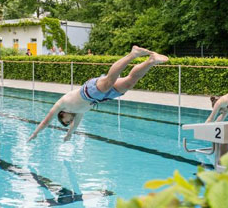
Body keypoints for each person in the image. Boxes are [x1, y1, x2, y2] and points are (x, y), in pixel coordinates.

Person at [28, 46, 168, 142]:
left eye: (65, 122)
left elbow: (47, 120)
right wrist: (69, 135)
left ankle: (133, 54)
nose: (68, 122)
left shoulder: (62, 104)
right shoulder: (79, 113)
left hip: (89, 91)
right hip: (102, 98)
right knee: (130, 82)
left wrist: (35, 134)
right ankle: (151, 61)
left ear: (62, 114)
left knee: (109, 81)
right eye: (67, 124)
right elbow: (75, 126)